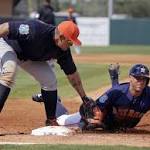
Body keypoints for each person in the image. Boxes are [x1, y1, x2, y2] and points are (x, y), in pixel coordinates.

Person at [0, 20, 92, 126]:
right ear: (61, 37)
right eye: (70, 42)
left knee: (50, 80)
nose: (70, 45)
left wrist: (84, 98)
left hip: (27, 56)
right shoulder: (35, 30)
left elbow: (73, 75)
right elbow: (5, 28)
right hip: (7, 45)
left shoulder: (63, 51)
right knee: (9, 72)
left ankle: (51, 120)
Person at [55, 63, 150, 132]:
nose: (141, 81)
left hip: (116, 126)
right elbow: (91, 109)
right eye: (138, 78)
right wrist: (81, 125)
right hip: (102, 121)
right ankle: (55, 101)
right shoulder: (117, 92)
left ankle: (114, 78)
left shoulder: (148, 95)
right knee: (61, 120)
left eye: (144, 79)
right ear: (130, 78)